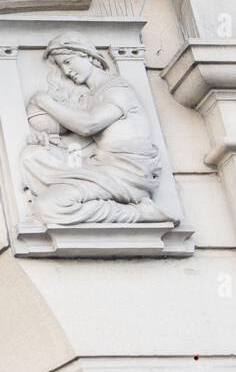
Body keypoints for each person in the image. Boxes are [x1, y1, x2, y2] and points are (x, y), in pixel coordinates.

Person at [21, 32, 174, 226]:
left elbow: (88, 125)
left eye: (68, 62)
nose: (67, 72)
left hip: (126, 173)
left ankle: (139, 213)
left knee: (49, 207)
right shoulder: (88, 99)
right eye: (62, 67)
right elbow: (77, 145)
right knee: (32, 155)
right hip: (101, 166)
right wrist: (49, 142)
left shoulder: (118, 88)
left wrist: (43, 101)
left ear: (85, 54)